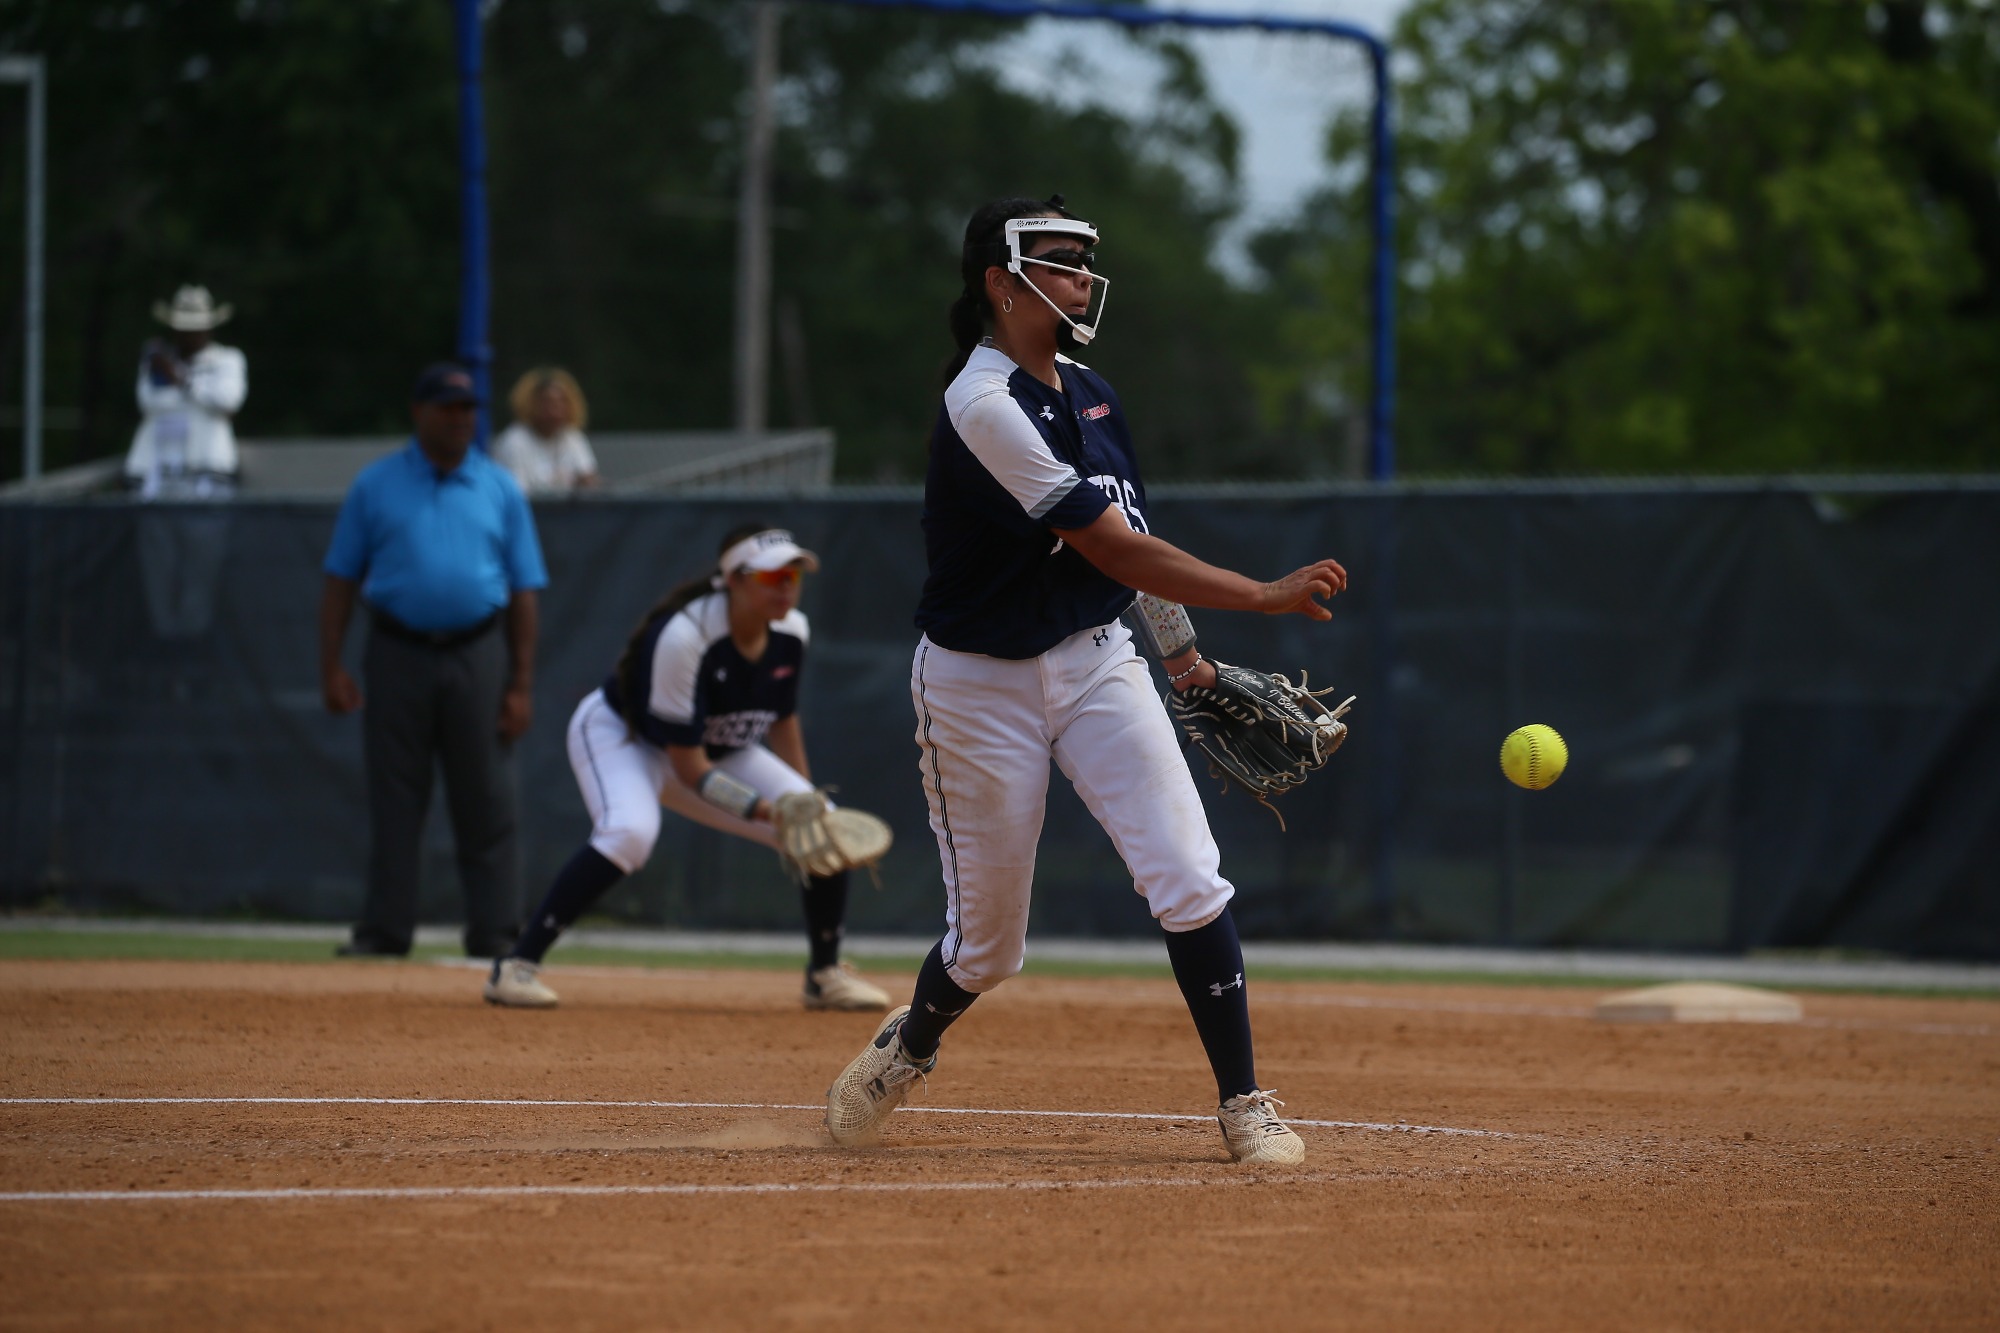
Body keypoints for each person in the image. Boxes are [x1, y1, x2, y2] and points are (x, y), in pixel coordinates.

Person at [823, 196, 1350, 1165]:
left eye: (1080, 260)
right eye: (1056, 260)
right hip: (977, 687)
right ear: (999, 279)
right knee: (988, 947)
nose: (1077, 276)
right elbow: (1103, 540)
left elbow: (1129, 543)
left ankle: (1242, 1103)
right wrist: (1262, 595)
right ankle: (913, 1041)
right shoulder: (981, 401)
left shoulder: (1093, 392)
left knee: (1188, 876)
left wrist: (1181, 654)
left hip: (1094, 658)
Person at [483, 524, 892, 1012]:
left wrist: (802, 798)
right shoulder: (687, 636)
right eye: (770, 577)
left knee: (823, 824)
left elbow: (782, 720)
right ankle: (515, 967)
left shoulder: (792, 630)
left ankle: (824, 976)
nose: (785, 586)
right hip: (626, 739)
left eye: (793, 576)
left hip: (719, 748)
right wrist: (769, 812)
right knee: (629, 833)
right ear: (733, 581)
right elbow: (689, 769)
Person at [320, 363, 548, 959]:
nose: (460, 418)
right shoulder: (376, 485)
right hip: (397, 651)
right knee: (396, 799)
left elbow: (524, 590)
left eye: (467, 408)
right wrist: (332, 666)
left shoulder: (499, 486)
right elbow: (341, 580)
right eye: (447, 408)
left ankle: (497, 932)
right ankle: (385, 932)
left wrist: (521, 683)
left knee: (488, 799)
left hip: (478, 652)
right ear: (418, 412)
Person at [124, 285, 246, 499]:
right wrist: (196, 396)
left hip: (209, 469)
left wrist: (181, 381)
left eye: (195, 328)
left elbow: (229, 401)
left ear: (209, 328)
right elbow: (147, 403)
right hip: (154, 474)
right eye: (184, 328)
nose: (189, 334)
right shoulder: (157, 363)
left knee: (206, 532)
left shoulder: (227, 359)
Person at [489, 367, 599, 495]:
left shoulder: (572, 437)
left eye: (561, 402)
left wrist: (587, 482)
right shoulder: (514, 441)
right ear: (530, 403)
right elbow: (517, 496)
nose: (555, 410)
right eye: (547, 402)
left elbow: (589, 481)